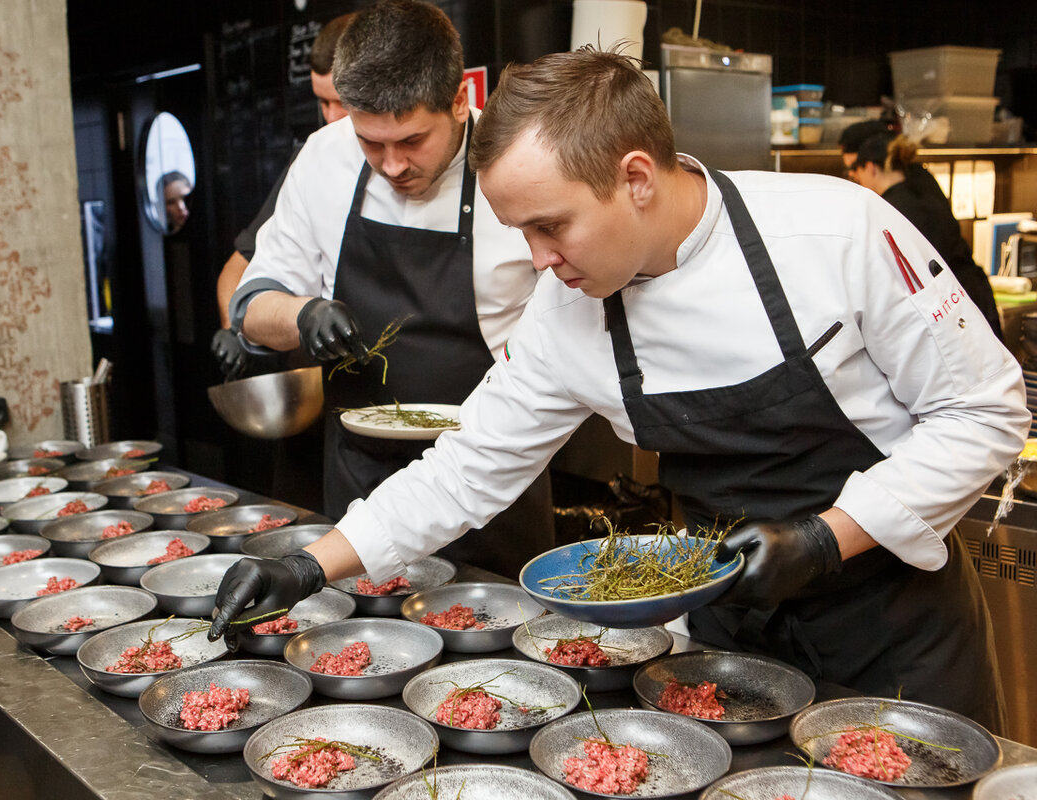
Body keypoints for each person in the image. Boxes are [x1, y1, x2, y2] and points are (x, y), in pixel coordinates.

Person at [211, 47, 1027, 732]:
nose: (536, 259)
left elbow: (987, 412)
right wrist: (310, 567)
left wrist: (826, 537)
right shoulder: (569, 310)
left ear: (636, 176)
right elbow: (467, 467)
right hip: (728, 632)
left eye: (550, 224)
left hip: (893, 628)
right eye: (520, 230)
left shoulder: (838, 233)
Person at [220, 0, 556, 579]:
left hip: (490, 480)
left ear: (458, 101)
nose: (393, 165)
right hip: (359, 485)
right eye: (371, 143)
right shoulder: (324, 159)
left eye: (412, 141)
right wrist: (303, 314)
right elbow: (249, 305)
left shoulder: (515, 164)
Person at [213, 11, 357, 335]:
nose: (332, 117)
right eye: (323, 102)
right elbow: (237, 270)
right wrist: (235, 332)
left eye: (343, 101)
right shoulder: (312, 161)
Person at [846, 130, 1003, 339]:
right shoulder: (924, 181)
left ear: (871, 167)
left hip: (946, 307)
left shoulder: (889, 209)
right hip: (973, 291)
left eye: (856, 172)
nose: (857, 180)